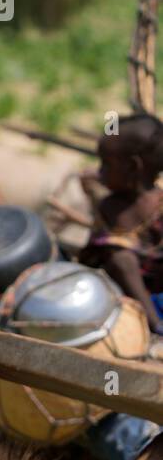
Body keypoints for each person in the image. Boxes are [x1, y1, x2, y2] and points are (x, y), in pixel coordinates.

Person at [78, 112, 163, 334]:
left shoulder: (160, 203)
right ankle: (156, 326)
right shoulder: (108, 206)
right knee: (121, 259)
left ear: (133, 167)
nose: (99, 171)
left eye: (106, 164)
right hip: (126, 296)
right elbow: (93, 257)